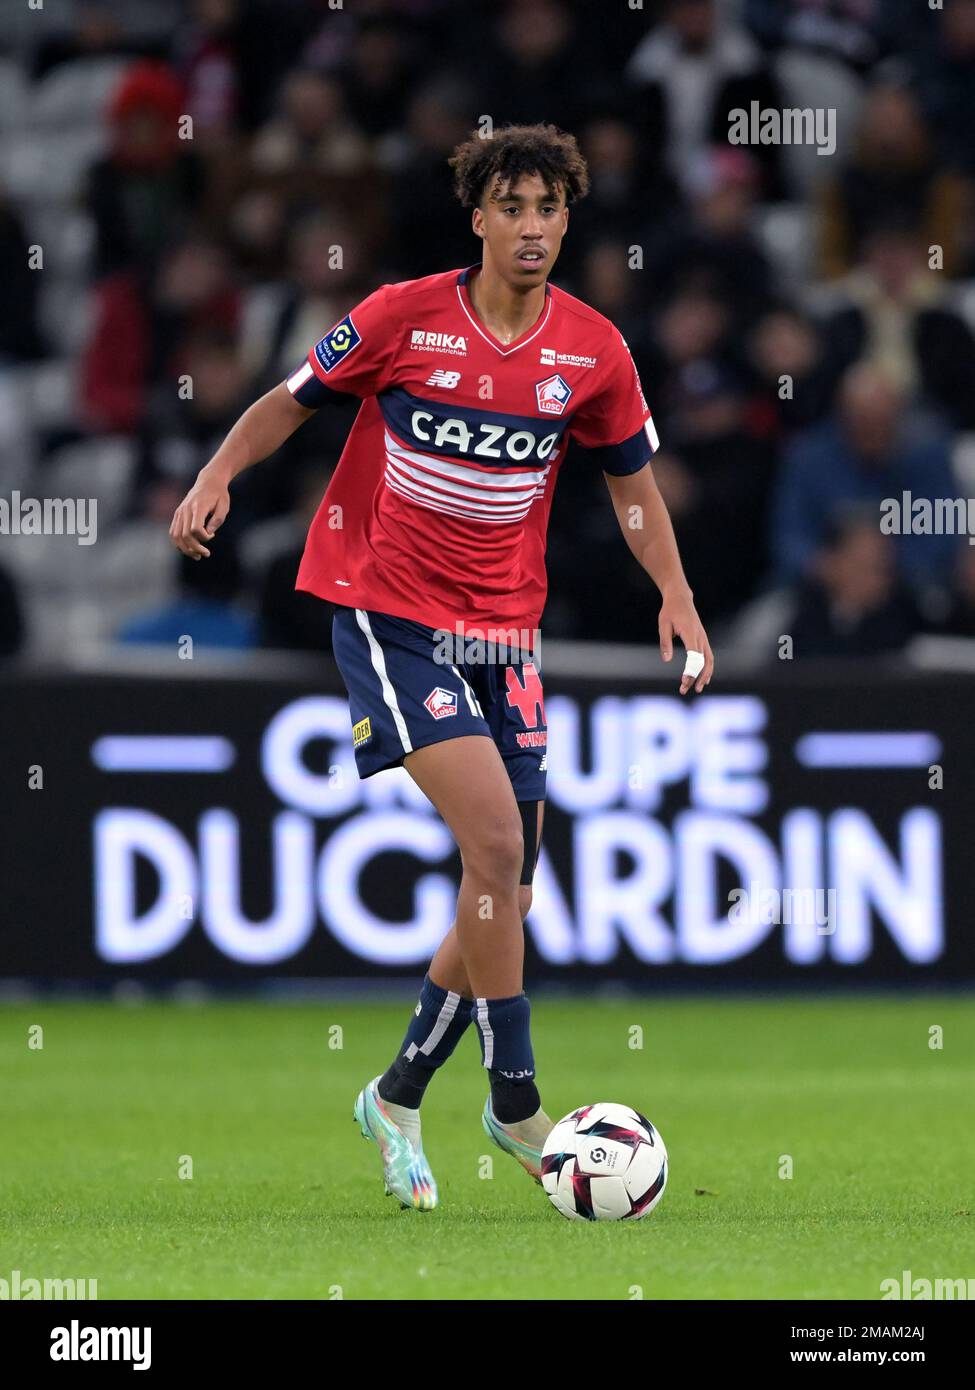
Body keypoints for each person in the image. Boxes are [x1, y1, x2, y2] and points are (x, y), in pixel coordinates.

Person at [169, 123, 713, 1211]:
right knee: (497, 845)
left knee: (509, 885)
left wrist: (677, 592)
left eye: (548, 209)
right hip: (389, 613)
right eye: (511, 207)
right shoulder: (401, 317)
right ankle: (516, 1100)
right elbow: (288, 400)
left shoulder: (593, 350)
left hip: (505, 633)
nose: (531, 227)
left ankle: (397, 1094)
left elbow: (632, 484)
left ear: (567, 220)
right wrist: (216, 473)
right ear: (478, 218)